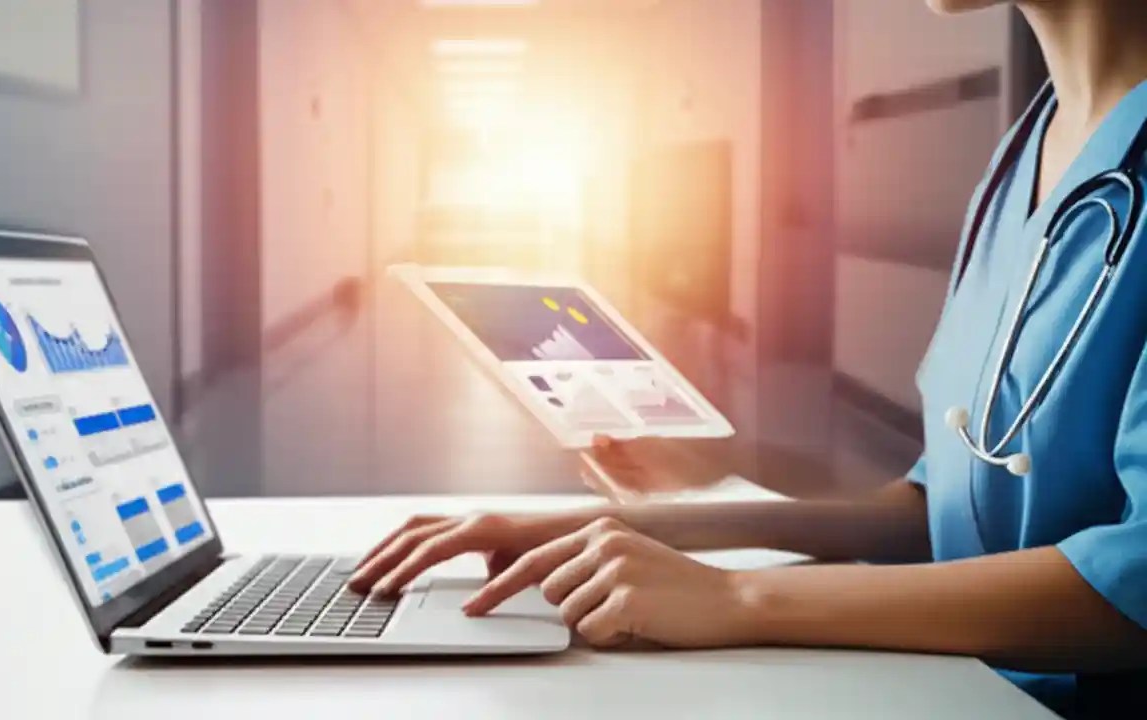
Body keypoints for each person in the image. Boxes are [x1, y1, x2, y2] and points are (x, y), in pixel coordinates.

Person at [351, 0, 1147, 715]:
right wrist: (628, 526)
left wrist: (737, 597)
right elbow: (935, 512)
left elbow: (1132, 590)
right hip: (964, 687)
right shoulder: (1021, 156)